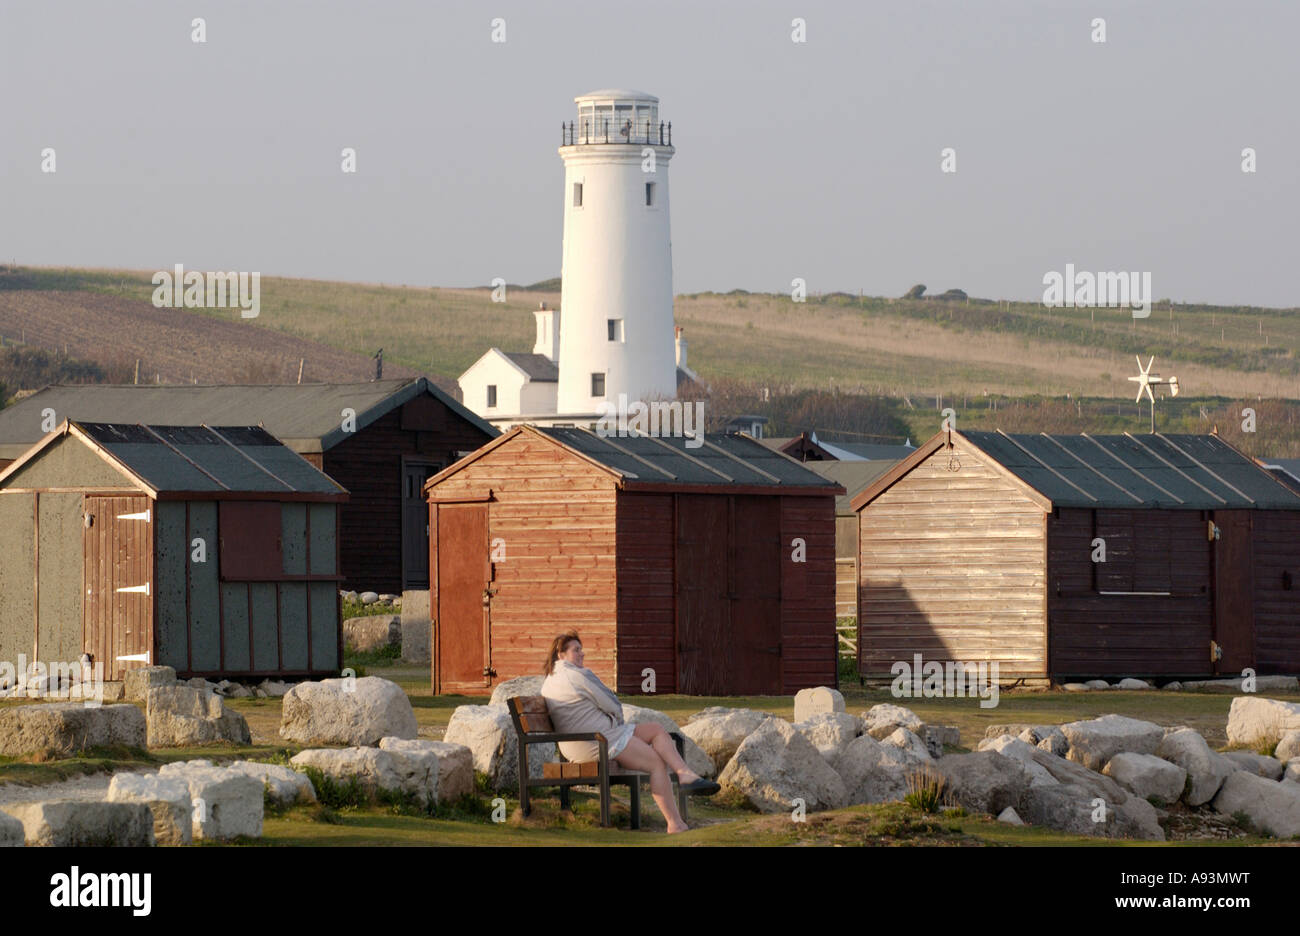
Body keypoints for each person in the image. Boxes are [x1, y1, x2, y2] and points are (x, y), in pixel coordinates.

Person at [540, 632, 719, 833]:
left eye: (581, 649)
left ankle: (684, 774)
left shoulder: (551, 679)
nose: (582, 654)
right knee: (656, 764)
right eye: (576, 650)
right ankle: (675, 823)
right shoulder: (576, 675)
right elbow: (610, 702)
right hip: (597, 742)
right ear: (560, 654)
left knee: (656, 730)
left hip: (585, 742)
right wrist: (618, 719)